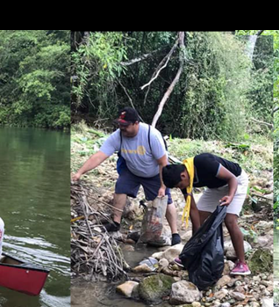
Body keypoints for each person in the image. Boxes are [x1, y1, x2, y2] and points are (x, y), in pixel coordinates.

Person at [70, 107, 181, 244]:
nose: (121, 128)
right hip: (132, 170)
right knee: (120, 187)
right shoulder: (118, 136)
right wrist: (79, 173)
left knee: (166, 199)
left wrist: (163, 186)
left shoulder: (151, 135)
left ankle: (175, 233)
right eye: (119, 124)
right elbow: (99, 156)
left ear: (136, 123)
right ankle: (116, 222)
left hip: (154, 173)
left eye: (125, 125)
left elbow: (163, 163)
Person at [162, 152, 251, 275]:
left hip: (236, 181)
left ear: (183, 176)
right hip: (215, 188)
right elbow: (193, 210)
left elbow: (232, 179)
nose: (180, 188)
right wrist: (196, 244)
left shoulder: (203, 162)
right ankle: (194, 255)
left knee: (229, 220)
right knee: (200, 216)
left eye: (179, 186)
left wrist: (230, 197)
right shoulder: (182, 180)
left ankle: (242, 263)